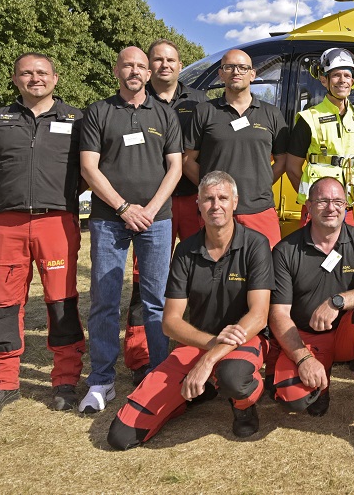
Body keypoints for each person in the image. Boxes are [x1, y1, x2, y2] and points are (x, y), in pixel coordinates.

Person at [107, 171, 273, 449]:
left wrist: (209, 360)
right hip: (199, 342)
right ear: (198, 203)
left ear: (235, 202)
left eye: (222, 198)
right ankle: (200, 391)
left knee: (233, 376)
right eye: (208, 199)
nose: (215, 205)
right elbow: (170, 322)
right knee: (121, 435)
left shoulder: (255, 244)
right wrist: (209, 346)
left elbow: (258, 316)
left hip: (245, 339)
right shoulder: (186, 250)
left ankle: (243, 405)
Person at [0, 53, 86, 419]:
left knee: (61, 303)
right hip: (8, 223)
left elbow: (85, 172)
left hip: (56, 222)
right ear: (15, 78)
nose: (35, 78)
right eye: (26, 73)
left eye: (42, 73)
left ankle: (65, 381)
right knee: (3, 304)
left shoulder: (77, 119)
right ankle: (1, 384)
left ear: (55, 77)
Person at [78, 46, 182, 414]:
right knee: (104, 301)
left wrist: (150, 210)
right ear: (116, 70)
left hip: (157, 219)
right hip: (109, 219)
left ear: (148, 72)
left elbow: (176, 167)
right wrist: (124, 208)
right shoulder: (99, 112)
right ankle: (101, 380)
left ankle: (158, 374)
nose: (135, 71)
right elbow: (90, 168)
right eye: (129, 65)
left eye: (141, 65)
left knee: (156, 301)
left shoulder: (165, 113)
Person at [269, 177, 354, 457]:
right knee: (293, 398)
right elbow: (278, 315)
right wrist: (303, 358)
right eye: (323, 201)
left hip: (346, 334)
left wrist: (339, 301)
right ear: (309, 206)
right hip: (306, 338)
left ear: (346, 207)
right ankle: (319, 386)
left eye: (338, 202)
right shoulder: (286, 250)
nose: (331, 208)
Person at [122, 39, 208, 385]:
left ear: (180, 63)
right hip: (151, 205)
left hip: (190, 200)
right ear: (148, 65)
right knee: (146, 282)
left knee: (201, 274)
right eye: (157, 59)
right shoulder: (134, 102)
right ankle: (141, 355)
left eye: (171, 59)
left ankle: (198, 345)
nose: (164, 65)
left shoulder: (199, 100)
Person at [183, 48, 288, 248]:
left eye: (242, 67)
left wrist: (261, 183)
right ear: (220, 74)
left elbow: (282, 161)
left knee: (265, 271)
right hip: (217, 209)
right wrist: (212, 188)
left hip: (260, 209)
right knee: (216, 270)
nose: (236, 71)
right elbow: (187, 160)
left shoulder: (272, 114)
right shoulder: (204, 111)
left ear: (253, 74)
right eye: (229, 67)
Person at [285, 48, 354, 228]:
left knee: (353, 255)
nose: (342, 81)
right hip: (320, 209)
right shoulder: (308, 119)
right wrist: (312, 203)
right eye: (336, 75)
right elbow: (292, 168)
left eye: (347, 76)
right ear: (324, 80)